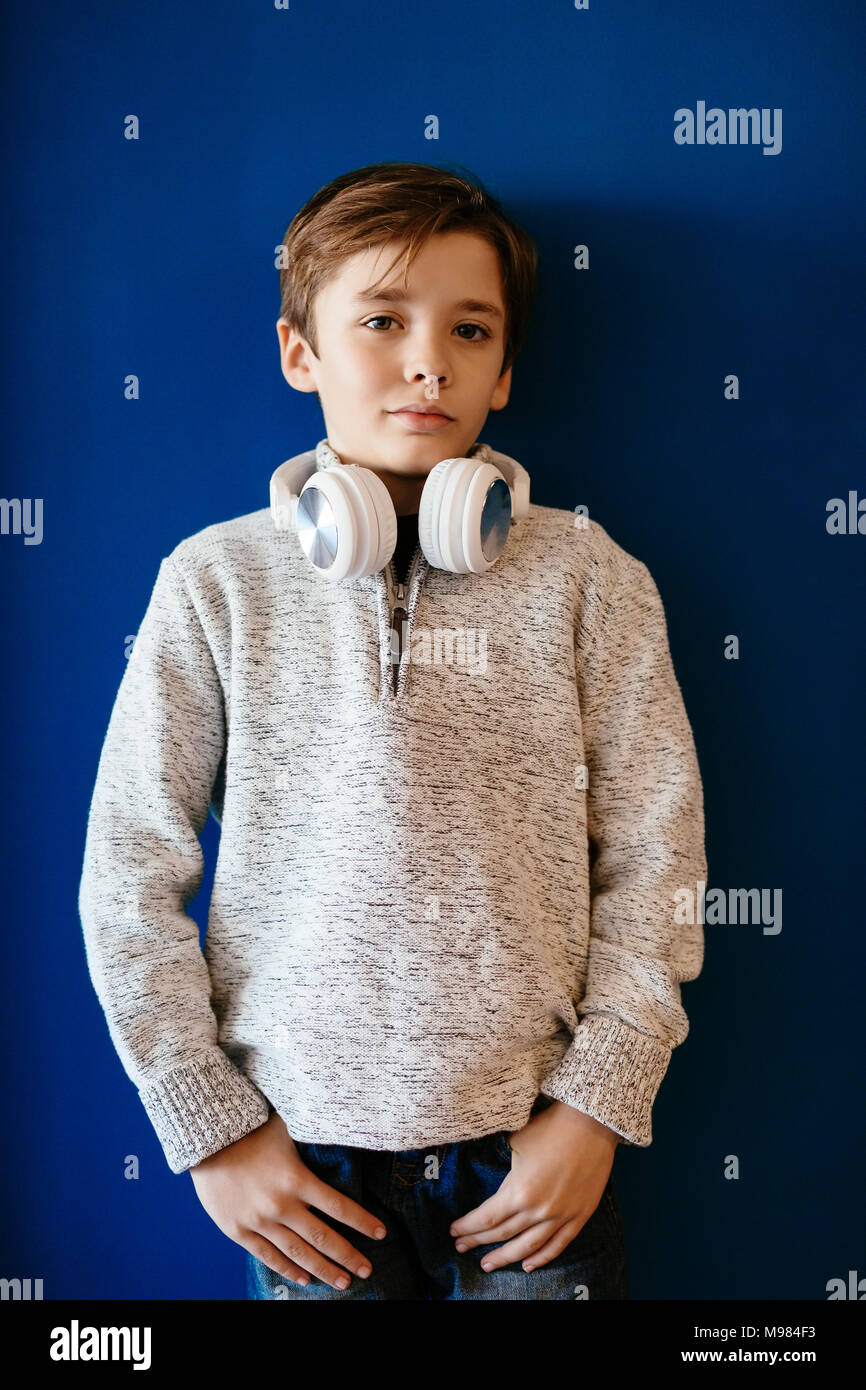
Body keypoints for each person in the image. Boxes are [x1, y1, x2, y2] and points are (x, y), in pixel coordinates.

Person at [78, 160, 707, 1301]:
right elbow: (128, 874)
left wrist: (599, 1101)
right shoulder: (216, 581)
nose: (428, 360)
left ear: (505, 371)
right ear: (298, 352)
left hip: (530, 1157)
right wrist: (210, 1128)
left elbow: (658, 861)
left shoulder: (589, 580)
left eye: (469, 329)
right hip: (302, 1167)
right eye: (381, 320)